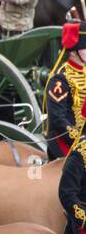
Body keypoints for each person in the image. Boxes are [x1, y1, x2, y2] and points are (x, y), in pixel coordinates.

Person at [44, 21, 86, 160]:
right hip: (65, 140)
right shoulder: (60, 80)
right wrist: (80, 140)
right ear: (74, 52)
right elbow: (57, 119)